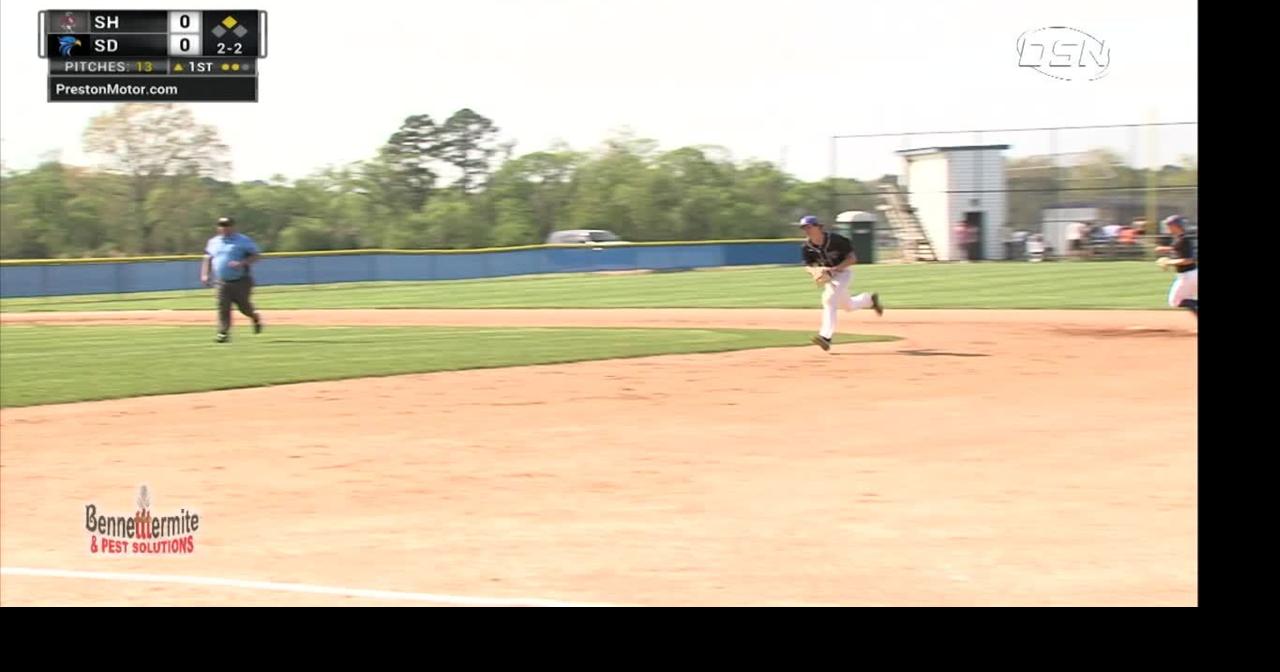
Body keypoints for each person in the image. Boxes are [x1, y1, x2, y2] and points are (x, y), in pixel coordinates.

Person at [796, 215, 883, 352]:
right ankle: (869, 300)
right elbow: (808, 265)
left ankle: (825, 337)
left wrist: (836, 269)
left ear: (818, 227)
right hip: (829, 276)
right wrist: (815, 272)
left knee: (829, 300)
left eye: (809, 226)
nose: (806, 229)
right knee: (847, 306)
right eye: (803, 227)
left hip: (843, 272)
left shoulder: (836, 240)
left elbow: (852, 258)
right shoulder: (806, 247)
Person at [201, 216, 263, 343]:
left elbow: (256, 256)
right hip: (222, 281)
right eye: (221, 225)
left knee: (244, 307)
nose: (224, 228)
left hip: (241, 280)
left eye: (227, 225)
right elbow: (208, 258)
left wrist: (242, 263)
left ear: (233, 227)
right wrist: (205, 274)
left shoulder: (242, 240)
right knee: (223, 306)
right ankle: (223, 332)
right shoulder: (213, 242)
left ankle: (254, 316)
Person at [1154, 215, 1197, 320]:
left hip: (1188, 276)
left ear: (1175, 226)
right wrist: (1165, 249)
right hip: (1190, 275)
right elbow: (1176, 248)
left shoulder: (1184, 240)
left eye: (1168, 225)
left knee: (1175, 301)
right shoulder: (1180, 238)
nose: (1167, 227)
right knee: (1185, 300)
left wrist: (1169, 262)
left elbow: (1188, 260)